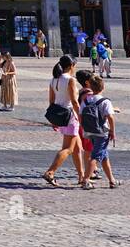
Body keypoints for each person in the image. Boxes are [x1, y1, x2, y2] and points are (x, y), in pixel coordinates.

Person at [43, 55, 85, 187]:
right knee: (68, 148)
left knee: (78, 148)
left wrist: (52, 119)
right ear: (71, 65)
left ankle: (82, 176)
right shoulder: (70, 80)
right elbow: (74, 101)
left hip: (59, 115)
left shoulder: (54, 79)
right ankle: (50, 171)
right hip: (70, 116)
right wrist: (81, 117)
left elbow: (51, 100)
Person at [79, 74, 118, 189]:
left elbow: (81, 115)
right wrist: (112, 131)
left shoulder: (86, 100)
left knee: (104, 156)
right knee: (95, 157)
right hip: (102, 132)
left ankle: (112, 180)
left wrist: (84, 128)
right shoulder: (105, 101)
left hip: (90, 131)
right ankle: (85, 180)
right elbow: (110, 117)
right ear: (103, 87)